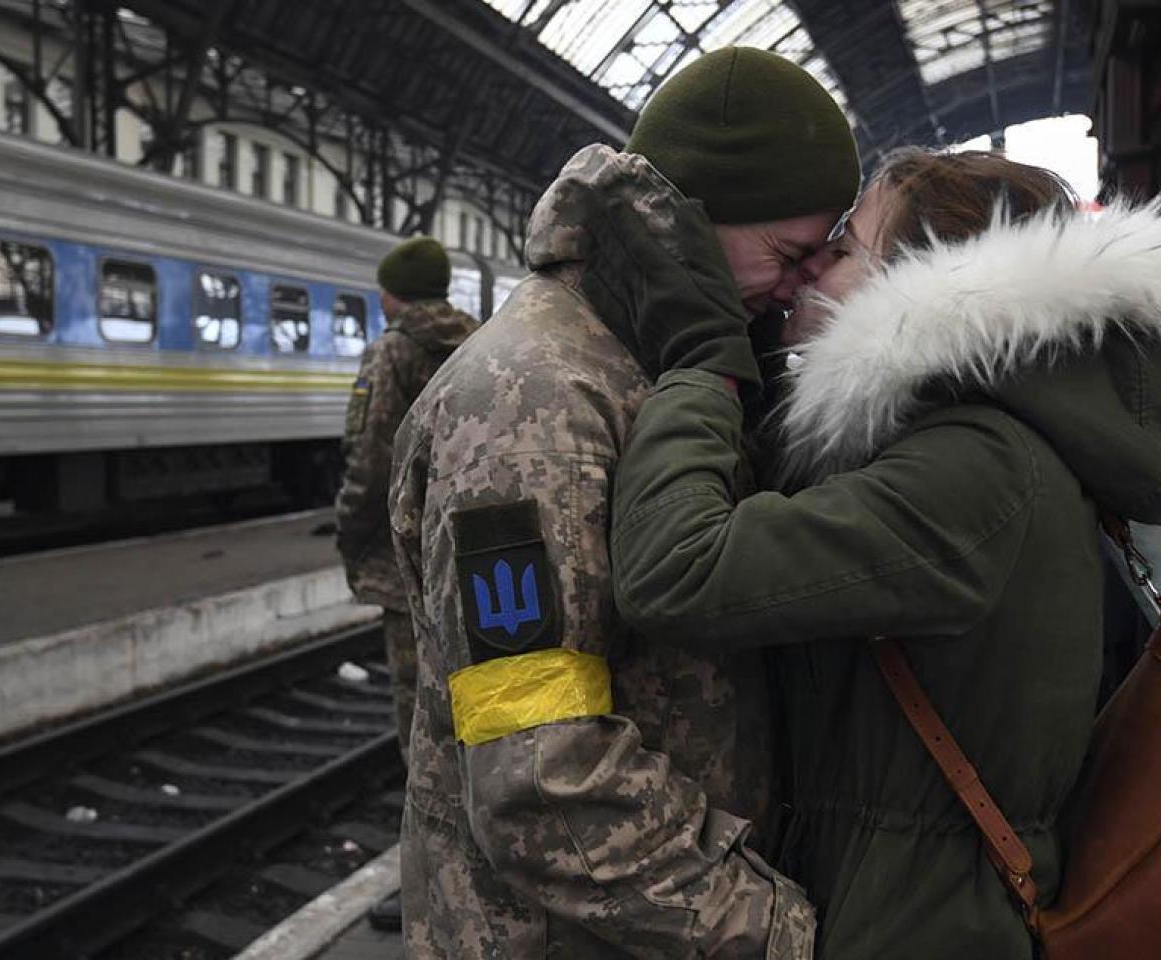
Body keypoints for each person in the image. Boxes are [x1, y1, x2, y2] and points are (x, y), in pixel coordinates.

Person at [603, 149, 1161, 959]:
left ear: (920, 285)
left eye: (845, 247)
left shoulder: (974, 470)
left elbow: (678, 569)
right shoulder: (978, 441)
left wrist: (703, 367)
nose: (812, 269)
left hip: (918, 924)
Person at [387, 47, 859, 958]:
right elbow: (541, 778)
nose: (801, 282)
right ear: (687, 226)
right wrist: (777, 931)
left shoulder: (658, 364)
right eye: (788, 255)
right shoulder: (533, 402)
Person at [335, 234, 478, 758]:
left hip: (409, 546)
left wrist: (350, 529)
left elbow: (370, 456)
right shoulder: (479, 341)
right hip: (473, 538)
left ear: (396, 294)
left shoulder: (390, 351)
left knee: (417, 688)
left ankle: (428, 792)